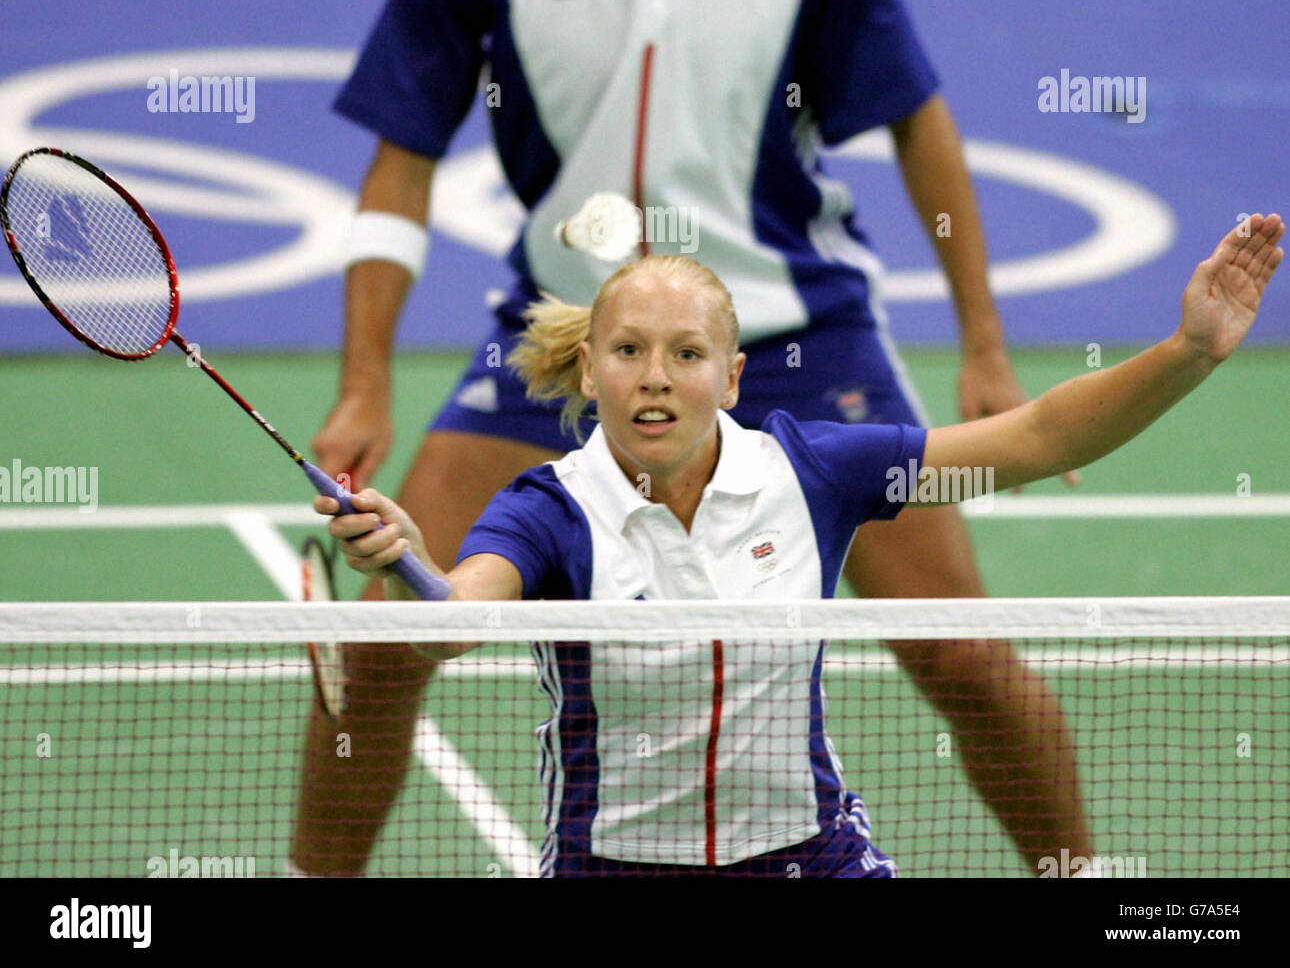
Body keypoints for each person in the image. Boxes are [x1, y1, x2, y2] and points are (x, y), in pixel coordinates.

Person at [295, 0, 1078, 874]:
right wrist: (365, 374)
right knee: (389, 647)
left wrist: (984, 342)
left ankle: (1090, 891)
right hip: (569, 337)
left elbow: (922, 131)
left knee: (961, 654)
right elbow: (399, 166)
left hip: (794, 332)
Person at [313, 218, 1283, 877]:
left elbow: (1035, 440)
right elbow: (455, 623)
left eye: (687, 355)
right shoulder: (549, 508)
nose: (656, 378)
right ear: (588, 370)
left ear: (731, 377)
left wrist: (1187, 352)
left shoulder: (815, 472)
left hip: (808, 858)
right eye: (629, 351)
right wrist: (406, 563)